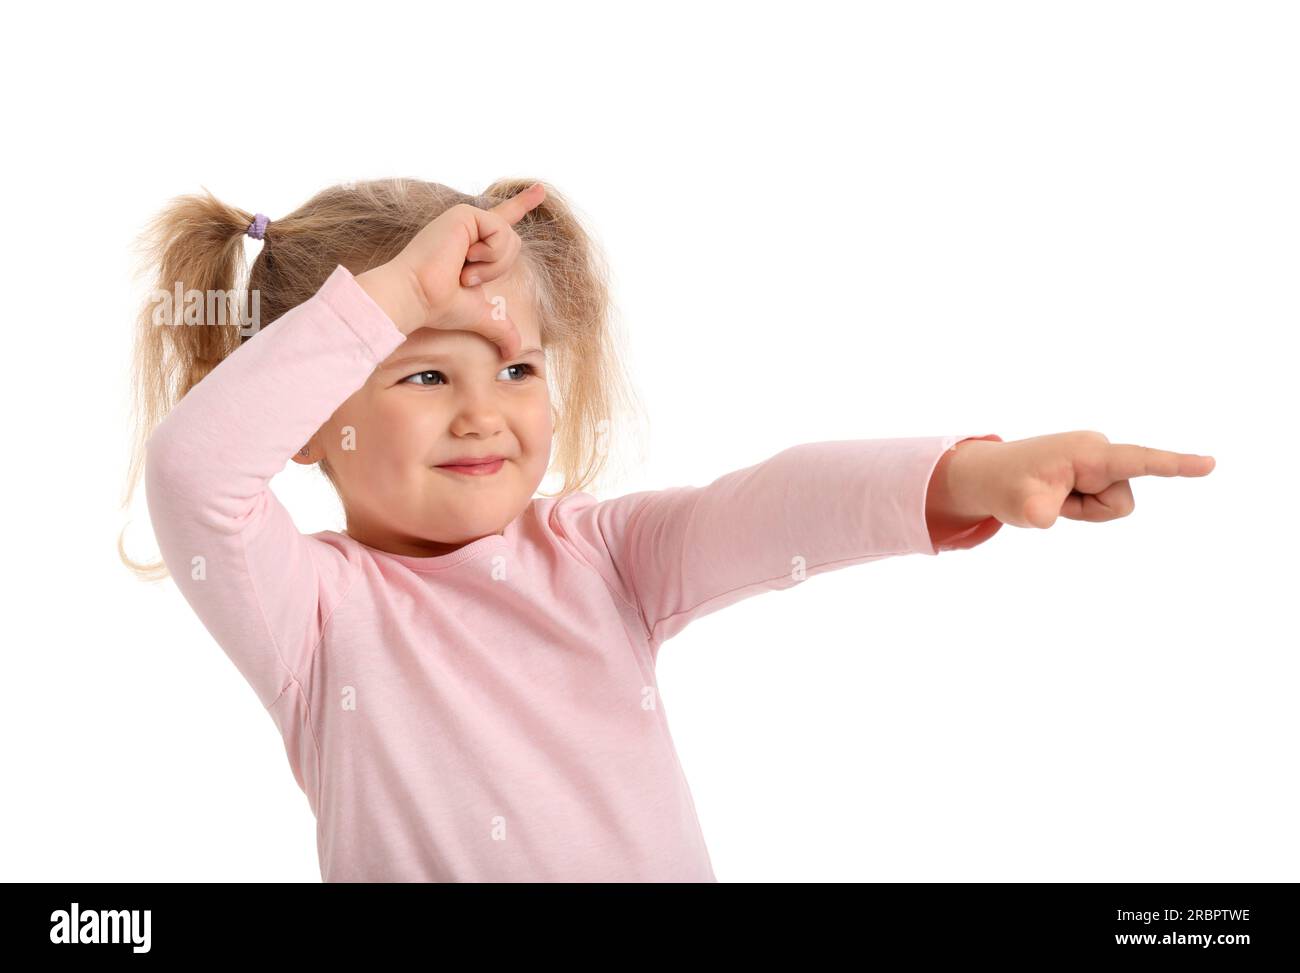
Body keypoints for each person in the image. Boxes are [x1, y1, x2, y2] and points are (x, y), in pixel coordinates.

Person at [120, 178, 1215, 881]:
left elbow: (772, 508)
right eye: (423, 372)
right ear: (313, 415)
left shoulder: (599, 557)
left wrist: (972, 473)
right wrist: (392, 291)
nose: (483, 411)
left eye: (515, 368)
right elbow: (193, 472)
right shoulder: (310, 613)